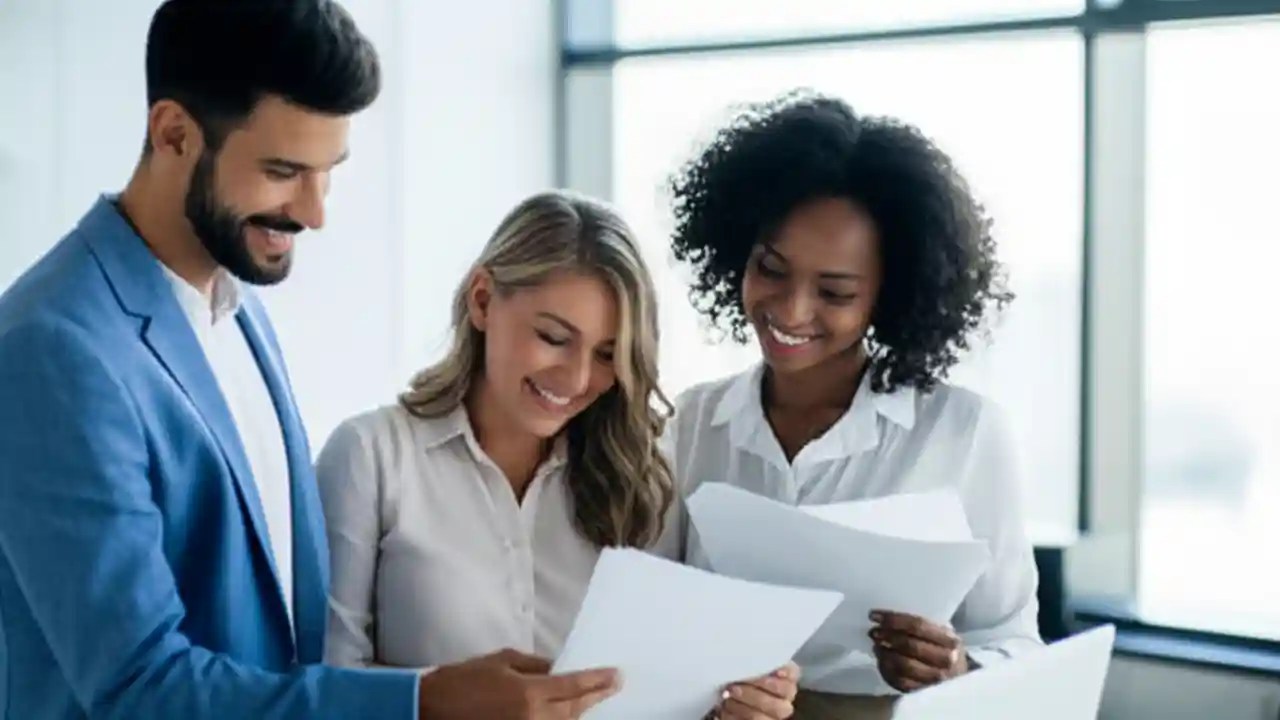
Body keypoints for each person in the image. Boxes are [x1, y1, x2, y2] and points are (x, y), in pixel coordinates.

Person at [0, 2, 615, 718]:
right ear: (172, 134)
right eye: (283, 170)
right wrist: (423, 702)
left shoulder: (237, 307)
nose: (315, 212)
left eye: (329, 171)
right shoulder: (55, 349)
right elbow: (141, 688)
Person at [316, 190, 801, 720]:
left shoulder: (645, 475)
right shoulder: (371, 457)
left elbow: (664, 694)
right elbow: (324, 686)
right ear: (482, 300)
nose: (574, 379)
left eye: (607, 355)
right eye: (553, 337)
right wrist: (444, 699)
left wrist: (735, 705)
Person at [660, 91, 1043, 716]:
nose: (790, 310)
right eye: (771, 268)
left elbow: (1016, 644)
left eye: (834, 292)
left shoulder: (961, 431)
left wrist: (956, 668)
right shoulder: (692, 424)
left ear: (887, 299)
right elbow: (653, 625)